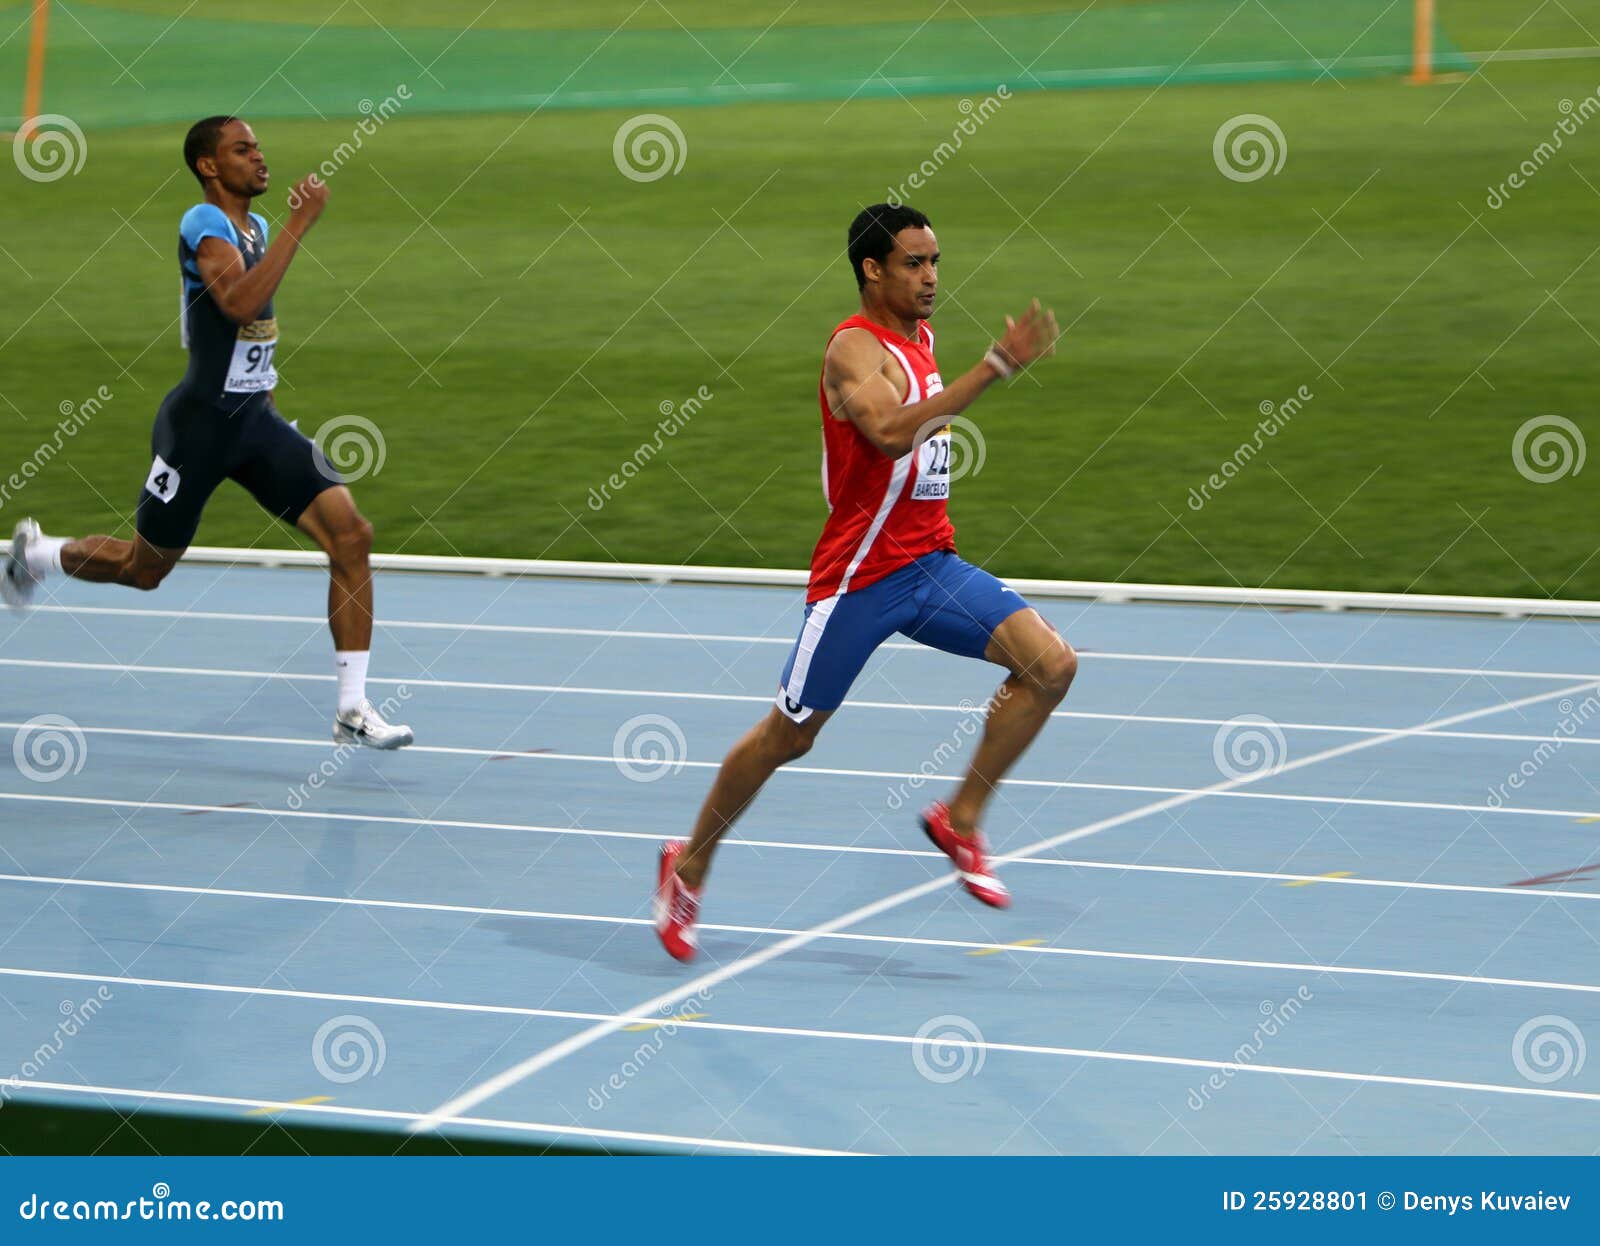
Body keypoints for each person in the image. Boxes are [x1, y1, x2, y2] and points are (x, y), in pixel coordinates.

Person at [655, 202, 1073, 961]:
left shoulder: (921, 340)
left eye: (935, 261)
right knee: (789, 736)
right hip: (860, 578)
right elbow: (885, 434)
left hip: (931, 565)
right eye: (914, 263)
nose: (931, 277)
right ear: (872, 269)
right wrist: (994, 369)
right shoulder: (852, 348)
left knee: (1051, 665)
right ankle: (689, 865)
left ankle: (960, 819)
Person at [1, 115, 411, 749]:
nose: (259, 157)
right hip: (198, 430)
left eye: (259, 147)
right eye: (242, 150)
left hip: (256, 422)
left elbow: (255, 327)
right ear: (209, 166)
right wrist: (300, 224)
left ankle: (352, 708)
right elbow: (239, 304)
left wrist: (264, 389)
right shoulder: (203, 224)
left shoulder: (257, 228)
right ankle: (35, 556)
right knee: (144, 570)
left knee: (351, 536)